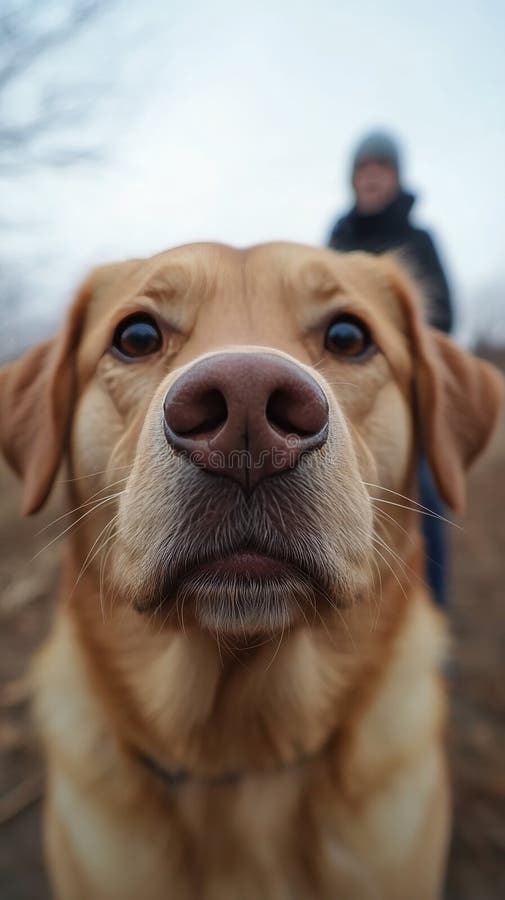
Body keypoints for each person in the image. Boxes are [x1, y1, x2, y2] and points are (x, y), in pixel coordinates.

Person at [327, 130, 454, 605]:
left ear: (396, 180)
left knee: (418, 492)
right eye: (364, 171)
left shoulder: (417, 240)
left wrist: (383, 341)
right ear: (354, 180)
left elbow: (442, 315)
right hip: (338, 394)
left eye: (381, 171)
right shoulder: (336, 238)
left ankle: (431, 607)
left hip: (397, 390)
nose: (371, 179)